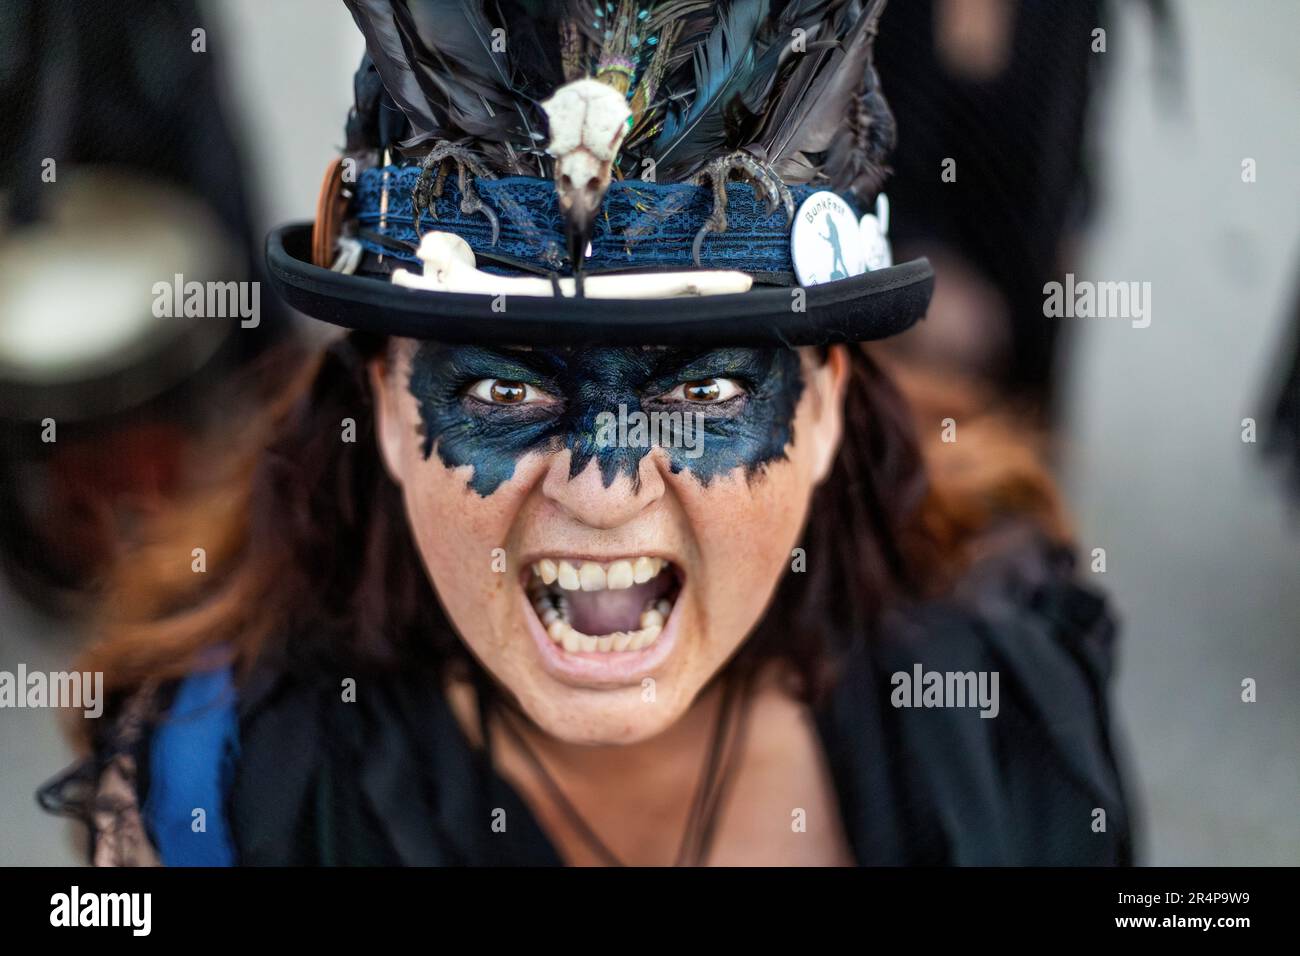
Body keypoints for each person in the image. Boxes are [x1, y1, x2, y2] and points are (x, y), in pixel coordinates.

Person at [40, 0, 1132, 866]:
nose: (603, 491)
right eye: (505, 395)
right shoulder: (210, 794)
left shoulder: (1005, 698)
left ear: (830, 401)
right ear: (380, 403)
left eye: (702, 394)